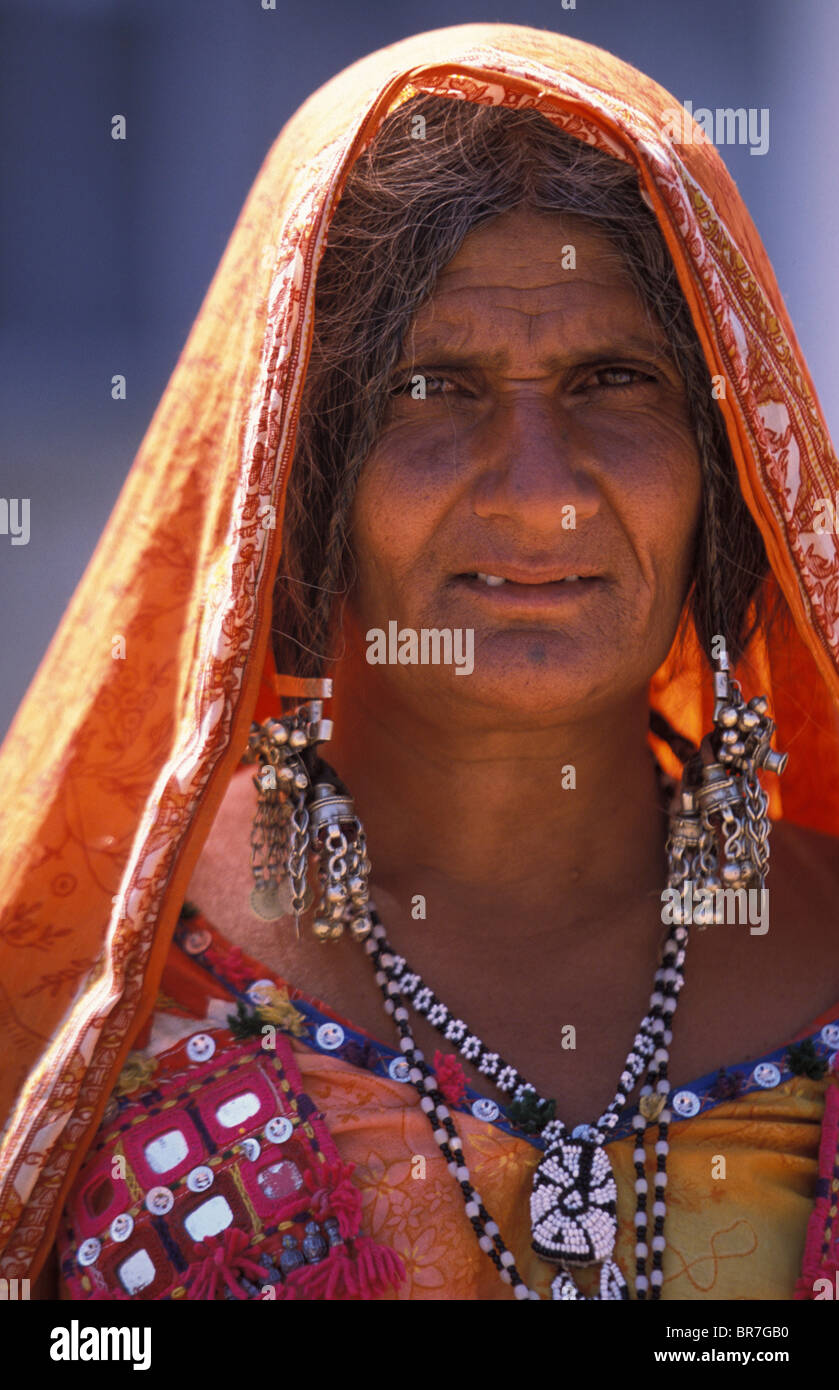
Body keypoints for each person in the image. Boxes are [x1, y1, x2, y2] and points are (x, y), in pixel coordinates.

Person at [1, 24, 838, 1303]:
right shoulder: (93, 977)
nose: (539, 493)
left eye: (611, 379)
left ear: (726, 475)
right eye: (431, 389)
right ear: (301, 467)